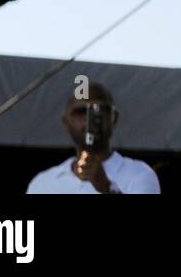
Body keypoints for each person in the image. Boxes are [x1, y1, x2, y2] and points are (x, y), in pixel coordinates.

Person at [26, 83, 160, 194]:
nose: (90, 118)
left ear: (114, 118)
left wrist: (107, 188)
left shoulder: (140, 175)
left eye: (99, 109)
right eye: (81, 111)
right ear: (66, 123)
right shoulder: (42, 183)